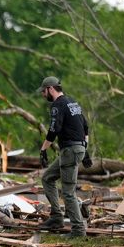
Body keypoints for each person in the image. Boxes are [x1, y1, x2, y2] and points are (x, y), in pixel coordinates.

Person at [37, 76, 91, 236]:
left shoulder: (58, 105)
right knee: (47, 178)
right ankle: (56, 217)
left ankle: (78, 230)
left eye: (43, 91)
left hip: (70, 150)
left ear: (50, 89)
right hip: (77, 148)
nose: (43, 95)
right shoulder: (72, 102)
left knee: (68, 192)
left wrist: (43, 149)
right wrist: (85, 148)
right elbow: (85, 127)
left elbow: (54, 129)